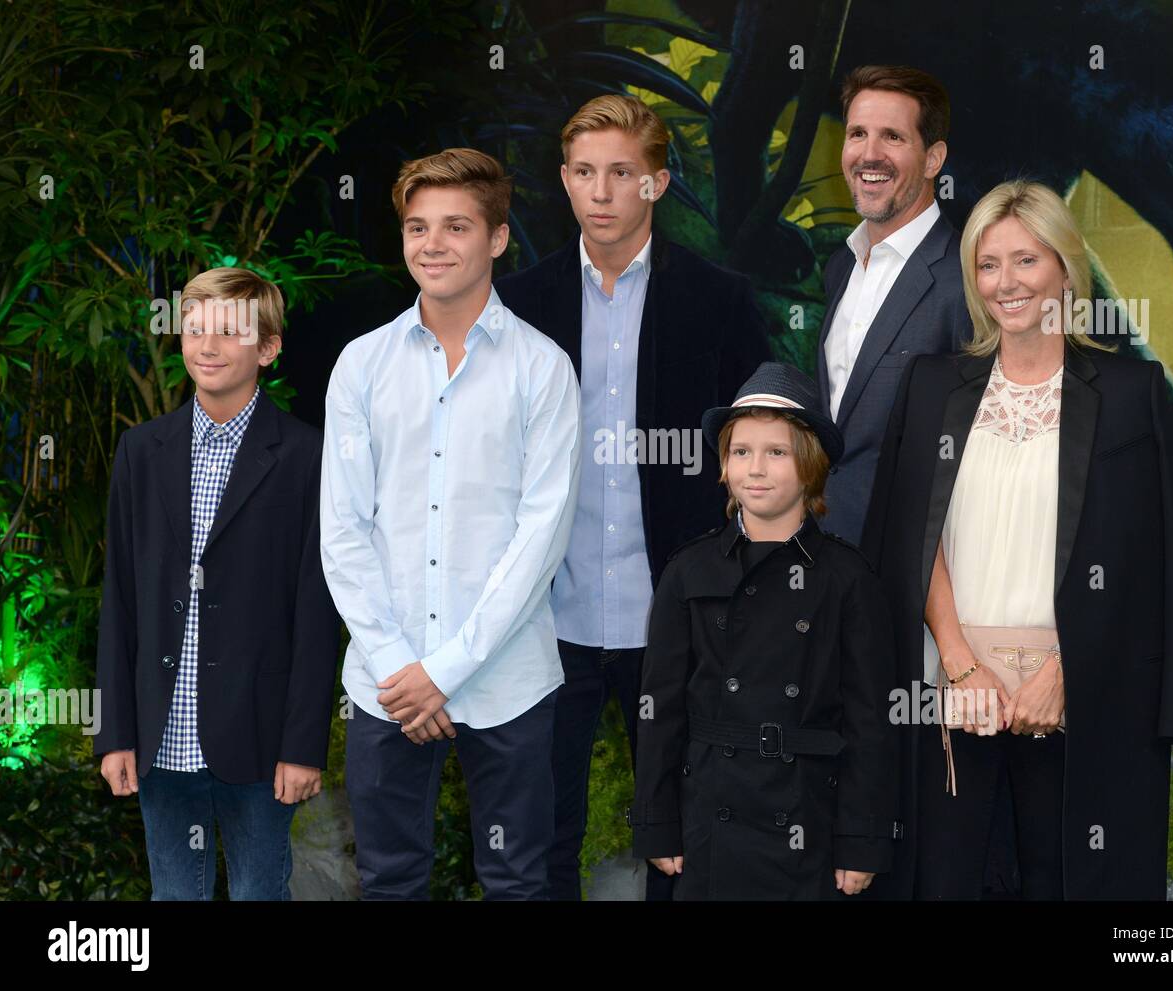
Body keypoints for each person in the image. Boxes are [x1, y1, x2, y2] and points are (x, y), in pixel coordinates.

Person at [860, 179, 1173, 899]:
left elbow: (1158, 566)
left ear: (1064, 268)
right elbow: (906, 541)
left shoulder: (1129, 394)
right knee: (948, 884)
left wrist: (1064, 672)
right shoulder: (931, 386)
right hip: (949, 699)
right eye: (987, 264)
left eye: (1025, 260)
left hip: (1082, 702)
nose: (1005, 282)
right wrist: (959, 667)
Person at [495, 93, 770, 900]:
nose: (602, 192)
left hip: (678, 615)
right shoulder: (520, 303)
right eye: (584, 173)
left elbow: (763, 447)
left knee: (681, 835)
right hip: (549, 617)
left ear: (656, 182)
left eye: (622, 173)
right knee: (542, 834)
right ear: (565, 182)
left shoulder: (719, 298)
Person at [320, 148, 580, 900]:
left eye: (456, 226)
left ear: (497, 238)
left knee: (517, 881)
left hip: (507, 682)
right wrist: (403, 665)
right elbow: (342, 530)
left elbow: (541, 539)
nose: (431, 244)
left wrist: (444, 670)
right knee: (390, 880)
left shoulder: (542, 368)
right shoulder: (361, 365)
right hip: (385, 683)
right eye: (416, 226)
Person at [96, 267, 339, 900]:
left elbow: (316, 613)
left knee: (262, 891)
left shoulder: (308, 457)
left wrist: (303, 745)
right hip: (161, 732)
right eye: (195, 329)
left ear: (269, 346)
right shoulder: (141, 452)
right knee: (174, 895)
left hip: (260, 736)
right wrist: (115, 731)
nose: (207, 346)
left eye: (229, 333)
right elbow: (119, 600)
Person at [628, 362, 899, 899]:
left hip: (806, 816)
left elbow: (872, 721)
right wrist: (656, 821)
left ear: (810, 465)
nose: (756, 468)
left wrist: (862, 839)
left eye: (776, 452)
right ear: (724, 468)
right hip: (709, 813)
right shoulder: (689, 569)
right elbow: (659, 708)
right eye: (741, 451)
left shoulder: (848, 577)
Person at [819, 64, 973, 544]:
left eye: (893, 138)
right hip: (829, 560)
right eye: (857, 134)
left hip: (915, 577)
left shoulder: (965, 281)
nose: (869, 155)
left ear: (933, 159)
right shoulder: (840, 267)